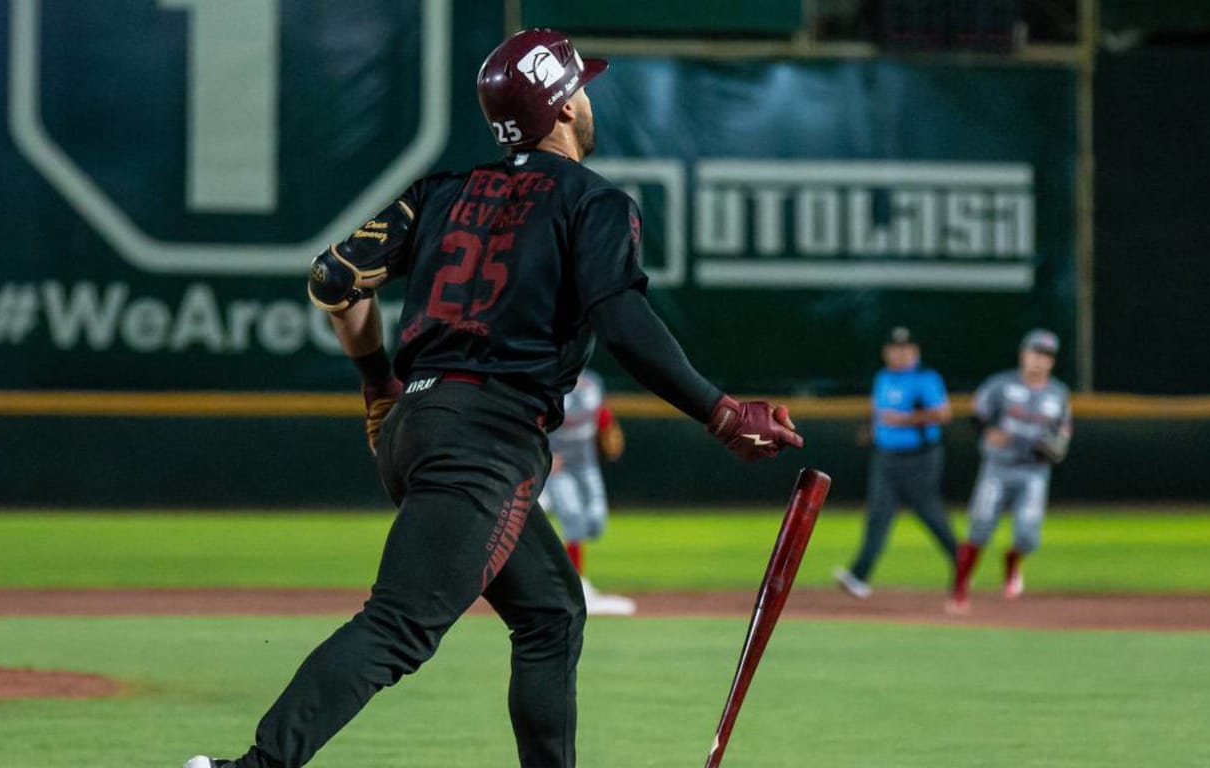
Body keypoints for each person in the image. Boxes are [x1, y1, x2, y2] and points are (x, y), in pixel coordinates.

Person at [185, 28, 802, 768]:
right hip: (487, 438)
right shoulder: (593, 203)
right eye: (580, 85)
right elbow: (623, 321)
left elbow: (333, 280)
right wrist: (721, 411)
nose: (586, 96)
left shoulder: (440, 194)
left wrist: (378, 382)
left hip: (414, 424)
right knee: (399, 626)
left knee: (550, 612)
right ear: (563, 106)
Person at [947, 329, 1072, 614]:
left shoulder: (1058, 393)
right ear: (1023, 354)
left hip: (1034, 472)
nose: (1040, 360)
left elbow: (1062, 435)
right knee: (979, 528)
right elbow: (976, 417)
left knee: (1028, 536)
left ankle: (1012, 561)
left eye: (1047, 356)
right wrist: (989, 432)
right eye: (1036, 353)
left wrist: (1054, 447)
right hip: (998, 468)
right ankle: (959, 588)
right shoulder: (999, 386)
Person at [834, 326, 956, 599]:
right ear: (886, 352)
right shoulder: (883, 378)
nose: (899, 353)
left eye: (905, 348)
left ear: (915, 352)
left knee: (929, 513)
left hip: (920, 457)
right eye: (894, 348)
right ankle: (859, 575)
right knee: (878, 516)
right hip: (886, 458)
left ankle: (962, 561)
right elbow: (880, 415)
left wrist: (903, 420)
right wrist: (873, 432)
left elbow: (943, 413)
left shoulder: (925, 378)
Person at [539, 368, 635, 615]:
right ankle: (574, 583)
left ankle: (562, 576)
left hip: (585, 463)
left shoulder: (593, 381)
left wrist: (607, 422)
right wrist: (544, 454)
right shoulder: (549, 379)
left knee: (595, 523)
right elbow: (535, 417)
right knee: (573, 520)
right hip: (559, 466)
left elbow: (599, 411)